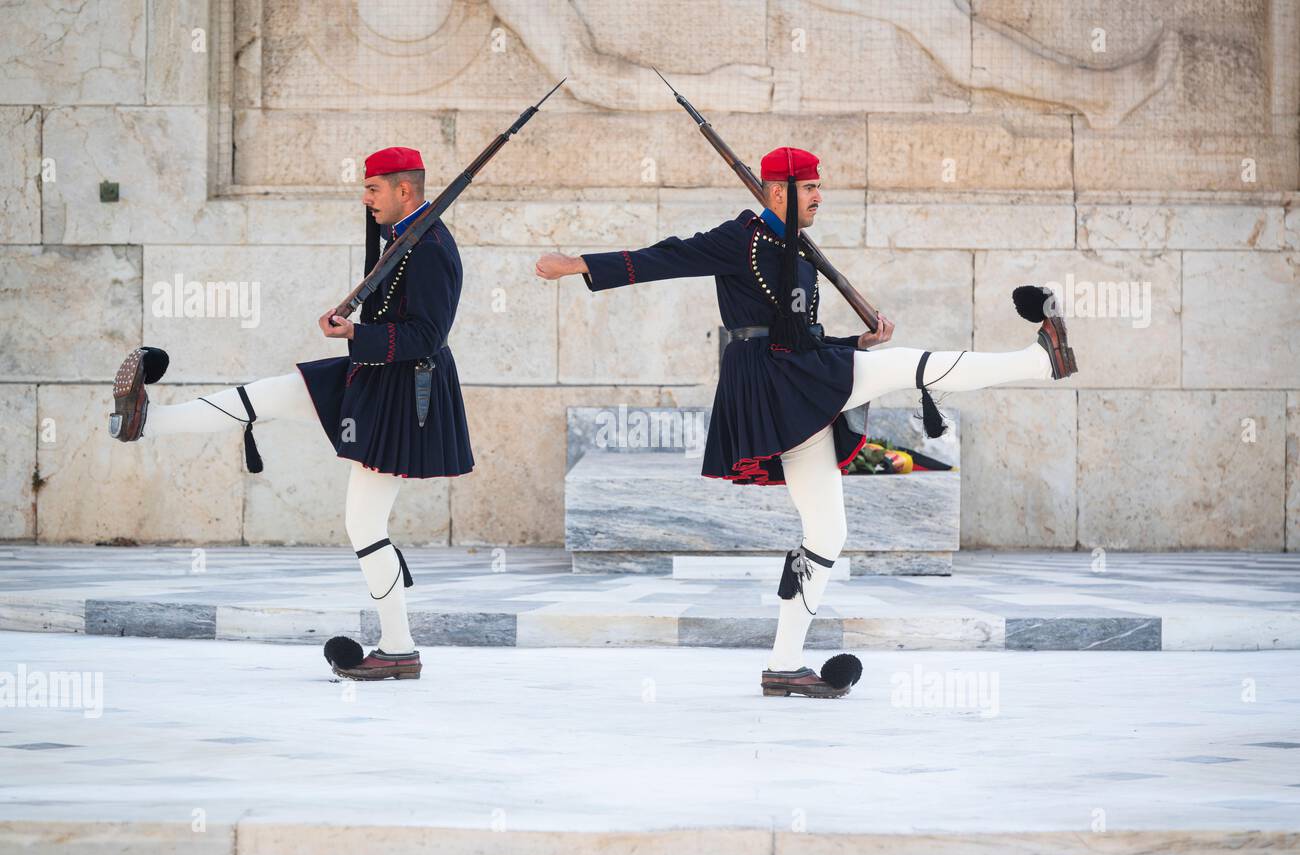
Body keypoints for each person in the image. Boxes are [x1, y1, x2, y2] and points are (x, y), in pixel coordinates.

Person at [535, 146, 1076, 698]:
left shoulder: (796, 248)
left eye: (820, 186)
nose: (820, 196)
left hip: (796, 376)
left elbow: (800, 332)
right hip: (772, 381)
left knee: (827, 531)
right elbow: (667, 256)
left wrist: (852, 342)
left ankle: (784, 666)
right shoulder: (741, 237)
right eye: (809, 187)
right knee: (901, 366)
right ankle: (1037, 359)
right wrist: (580, 265)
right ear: (776, 192)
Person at [108, 146, 475, 681]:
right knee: (267, 394)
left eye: (374, 189)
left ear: (406, 190)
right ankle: (147, 421)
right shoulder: (404, 236)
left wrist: (355, 333)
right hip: (373, 373)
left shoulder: (433, 247)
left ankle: (399, 648)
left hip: (403, 394)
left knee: (365, 523)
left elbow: (428, 335)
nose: (366, 197)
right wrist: (358, 330)